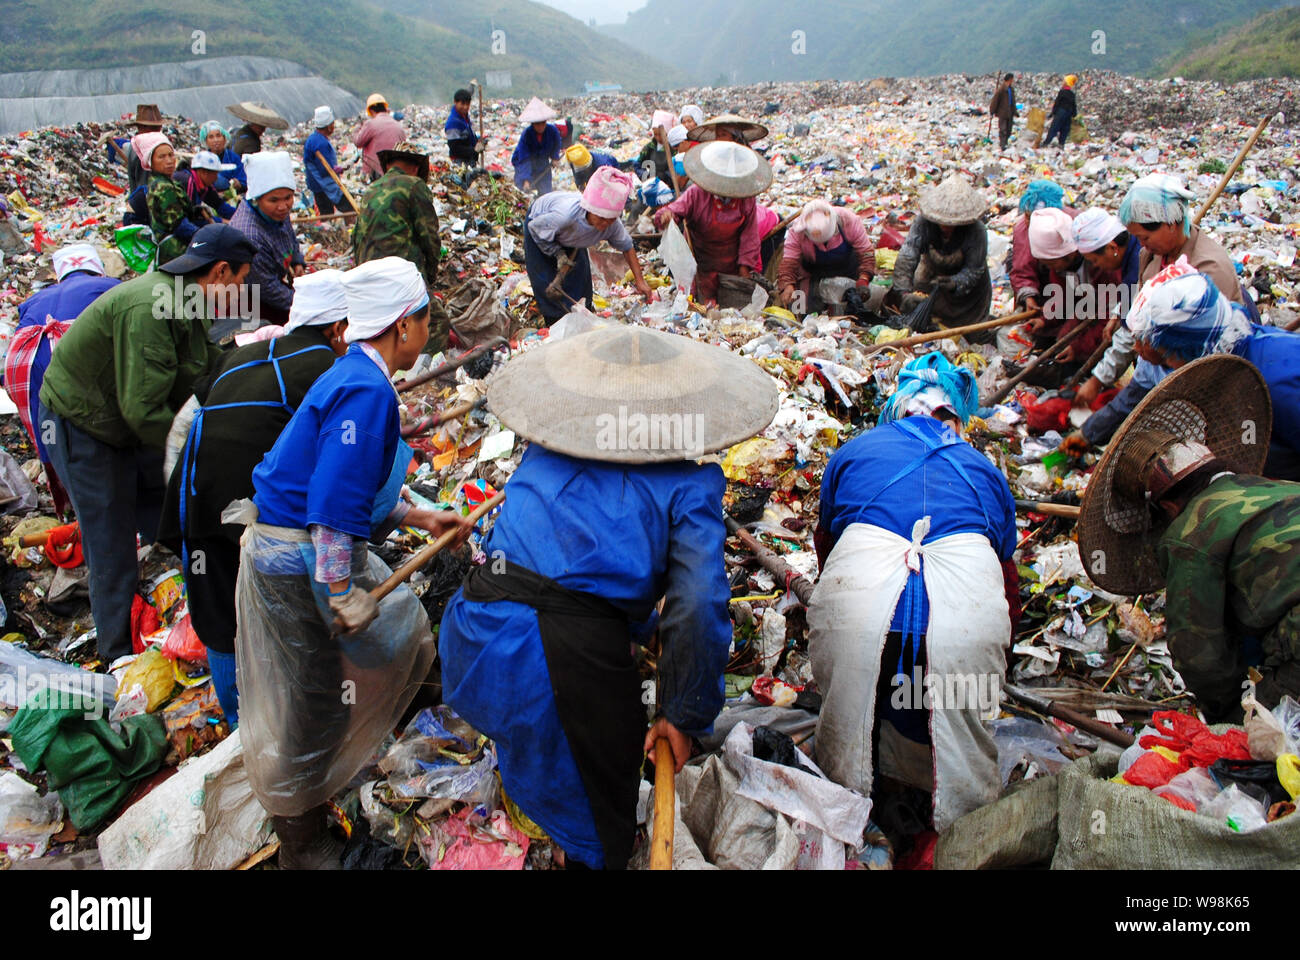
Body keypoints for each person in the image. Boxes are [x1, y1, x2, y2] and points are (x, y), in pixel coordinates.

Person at [439, 324, 779, 869]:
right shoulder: (689, 485)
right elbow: (696, 606)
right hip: (549, 664)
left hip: (473, 631)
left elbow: (568, 561)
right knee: (601, 822)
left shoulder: (545, 451)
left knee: (535, 751)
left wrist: (636, 629)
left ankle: (542, 814)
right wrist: (683, 715)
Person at [232, 257, 470, 868]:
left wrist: (420, 519)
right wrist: (341, 590)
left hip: (297, 547)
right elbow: (334, 502)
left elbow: (345, 486)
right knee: (310, 697)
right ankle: (301, 841)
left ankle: (396, 745)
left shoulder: (352, 375)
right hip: (294, 560)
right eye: (423, 319)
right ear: (401, 327)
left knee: (396, 639)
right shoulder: (365, 391)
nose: (427, 330)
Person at [809, 353, 1017, 833]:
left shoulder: (854, 452)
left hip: (855, 611)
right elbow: (1006, 584)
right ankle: (965, 842)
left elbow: (828, 551)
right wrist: (1000, 654)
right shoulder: (985, 470)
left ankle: (847, 827)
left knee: (848, 718)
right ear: (956, 418)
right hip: (969, 621)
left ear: (896, 409)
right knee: (963, 738)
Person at [36, 225, 256, 661]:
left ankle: (204, 594)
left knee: (172, 509)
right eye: (241, 281)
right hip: (84, 424)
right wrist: (203, 447)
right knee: (111, 539)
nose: (241, 293)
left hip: (123, 420)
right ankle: (116, 656)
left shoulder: (187, 301)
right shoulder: (152, 307)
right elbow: (142, 410)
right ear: (221, 272)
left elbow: (204, 371)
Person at [158, 271, 351, 727]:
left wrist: (182, 488)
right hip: (251, 517)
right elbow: (340, 468)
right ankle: (293, 733)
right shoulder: (328, 369)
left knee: (221, 622)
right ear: (338, 328)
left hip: (195, 503)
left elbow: (188, 422)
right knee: (288, 620)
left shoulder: (245, 352)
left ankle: (240, 737)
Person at [1078, 354, 1299, 722]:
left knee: (1259, 733)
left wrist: (1228, 715)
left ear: (1165, 506)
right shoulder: (1273, 486)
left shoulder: (1189, 536)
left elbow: (1199, 654)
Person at [1122, 264, 1300, 480]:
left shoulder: (1274, 383)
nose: (1169, 366)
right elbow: (1250, 436)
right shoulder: (1233, 370)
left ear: (1195, 351)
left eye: (1168, 357)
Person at [4, 244, 120, 516]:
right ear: (96, 268)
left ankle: (70, 507)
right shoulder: (109, 286)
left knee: (49, 433)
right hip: (70, 353)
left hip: (24, 362)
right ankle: (107, 501)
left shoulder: (34, 299)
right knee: (95, 427)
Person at [1066, 208, 1170, 446]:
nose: (1098, 266)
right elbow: (1132, 293)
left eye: (1095, 260)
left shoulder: (1138, 258)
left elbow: (1128, 336)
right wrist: (1117, 313)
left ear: (1112, 248)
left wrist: (1096, 381)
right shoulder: (1134, 247)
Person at [1118, 173, 1257, 319]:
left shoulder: (1210, 268)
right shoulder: (1150, 255)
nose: (1142, 244)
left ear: (1171, 224)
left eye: (1145, 237)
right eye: (1137, 238)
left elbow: (1206, 331)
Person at [523, 167, 652, 323]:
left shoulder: (611, 224)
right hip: (542, 230)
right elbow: (535, 228)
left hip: (572, 236)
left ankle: (584, 315)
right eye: (602, 218)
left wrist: (640, 281)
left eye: (610, 219)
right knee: (547, 284)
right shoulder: (565, 217)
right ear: (590, 209)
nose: (605, 224)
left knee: (580, 280)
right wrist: (558, 254)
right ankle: (554, 322)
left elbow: (627, 246)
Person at [652, 141, 772, 305]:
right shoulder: (696, 193)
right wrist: (666, 216)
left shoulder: (746, 199)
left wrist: (744, 268)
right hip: (702, 264)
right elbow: (674, 210)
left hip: (732, 267)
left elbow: (750, 236)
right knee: (702, 308)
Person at [351, 149, 443, 344]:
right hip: (399, 270)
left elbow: (357, 236)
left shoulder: (371, 189)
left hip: (367, 271)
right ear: (416, 168)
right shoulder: (414, 185)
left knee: (388, 323)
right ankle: (427, 371)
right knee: (434, 322)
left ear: (388, 165)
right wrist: (431, 274)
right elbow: (429, 235)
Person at [889, 175, 994, 336]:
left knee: (969, 334)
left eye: (953, 224)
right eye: (943, 223)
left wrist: (954, 283)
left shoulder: (976, 231)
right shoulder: (923, 223)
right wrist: (904, 293)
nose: (946, 227)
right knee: (925, 323)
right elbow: (907, 256)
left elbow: (974, 270)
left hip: (969, 295)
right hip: (931, 278)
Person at [230, 151, 304, 326]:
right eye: (273, 200)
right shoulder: (250, 235)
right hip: (252, 301)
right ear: (257, 200)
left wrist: (296, 261)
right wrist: (305, 304)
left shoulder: (276, 213)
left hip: (271, 285)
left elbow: (290, 237)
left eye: (288, 198)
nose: (283, 206)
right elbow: (267, 288)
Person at [778, 199, 874, 313]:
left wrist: (863, 279)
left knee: (852, 309)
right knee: (804, 310)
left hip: (848, 269)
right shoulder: (797, 230)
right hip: (814, 273)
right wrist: (787, 285)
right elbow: (789, 261)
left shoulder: (848, 220)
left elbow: (866, 252)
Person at [141, 136, 217, 266]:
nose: (169, 161)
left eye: (171, 155)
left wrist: (197, 211)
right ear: (151, 163)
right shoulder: (163, 187)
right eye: (162, 157)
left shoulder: (168, 182)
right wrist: (205, 239)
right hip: (174, 248)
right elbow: (179, 226)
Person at [303, 106, 352, 216]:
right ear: (329, 126)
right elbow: (325, 169)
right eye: (332, 124)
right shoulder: (321, 143)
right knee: (349, 210)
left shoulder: (313, 139)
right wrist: (339, 169)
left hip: (316, 186)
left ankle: (330, 230)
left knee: (326, 213)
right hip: (326, 185)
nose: (333, 127)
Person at [511, 98, 563, 195]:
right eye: (537, 124)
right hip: (524, 164)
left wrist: (555, 157)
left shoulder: (552, 131)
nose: (541, 127)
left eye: (543, 123)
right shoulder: (526, 135)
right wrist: (525, 179)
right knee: (523, 193)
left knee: (545, 193)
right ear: (533, 124)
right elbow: (524, 159)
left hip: (542, 164)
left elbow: (557, 144)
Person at [353, 93, 407, 181]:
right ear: (385, 108)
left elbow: (358, 142)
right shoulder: (398, 126)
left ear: (371, 111)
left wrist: (357, 128)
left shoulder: (371, 124)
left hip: (376, 172)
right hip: (396, 173)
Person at [173, 151, 239, 222]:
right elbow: (191, 217)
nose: (216, 178)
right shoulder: (187, 182)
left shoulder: (204, 185)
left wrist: (239, 216)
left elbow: (219, 205)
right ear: (204, 173)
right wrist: (222, 221)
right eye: (215, 174)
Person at [198, 120, 246, 192]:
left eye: (218, 136)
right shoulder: (202, 160)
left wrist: (239, 184)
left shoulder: (233, 158)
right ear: (206, 141)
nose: (216, 140)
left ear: (224, 138)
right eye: (211, 137)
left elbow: (244, 181)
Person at [445, 88, 481, 166]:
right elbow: (454, 148)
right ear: (455, 102)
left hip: (470, 160)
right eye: (462, 104)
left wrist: (479, 142)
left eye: (467, 104)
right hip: (460, 162)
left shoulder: (465, 118)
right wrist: (474, 150)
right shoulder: (453, 122)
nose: (465, 107)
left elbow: (469, 137)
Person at [1041, 74, 1078, 148]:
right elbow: (1074, 105)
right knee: (1065, 129)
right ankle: (1061, 144)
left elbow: (1057, 103)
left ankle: (1046, 143)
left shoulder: (1062, 92)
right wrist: (1074, 115)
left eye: (1064, 81)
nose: (1063, 82)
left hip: (1061, 112)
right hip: (1069, 113)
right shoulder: (1072, 94)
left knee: (1054, 128)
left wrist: (1052, 113)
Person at [688, 114, 768, 146]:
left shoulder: (746, 156)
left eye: (723, 135)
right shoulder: (714, 155)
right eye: (717, 135)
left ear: (735, 138)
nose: (719, 139)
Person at [989, 73, 1016, 150]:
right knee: (1003, 129)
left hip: (1010, 111)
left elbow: (1012, 101)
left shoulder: (1011, 89)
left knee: (1009, 129)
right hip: (1002, 112)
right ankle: (1002, 144)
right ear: (1009, 79)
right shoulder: (1001, 90)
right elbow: (995, 101)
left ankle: (1005, 142)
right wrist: (992, 111)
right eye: (1012, 79)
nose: (1013, 81)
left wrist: (1015, 111)